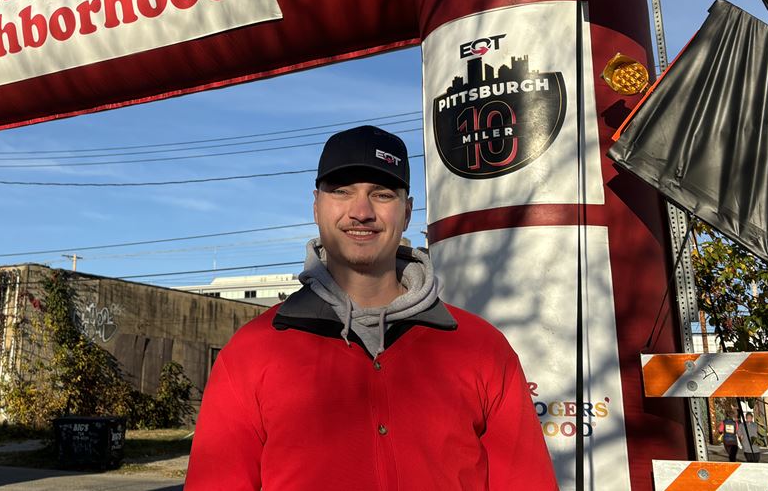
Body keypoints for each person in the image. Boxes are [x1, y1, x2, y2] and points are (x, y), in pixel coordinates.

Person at [186, 125, 556, 490]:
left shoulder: (481, 348)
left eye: (381, 194)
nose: (361, 211)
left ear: (407, 212)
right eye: (342, 191)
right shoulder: (251, 352)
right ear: (316, 206)